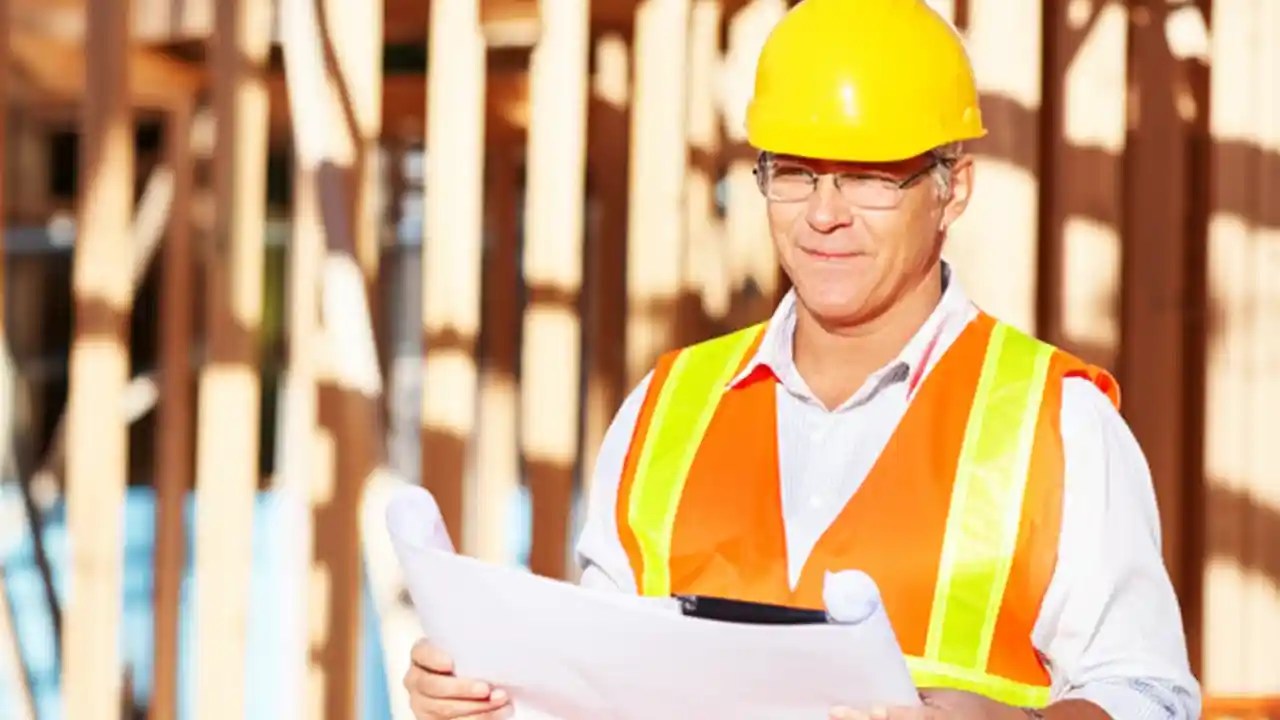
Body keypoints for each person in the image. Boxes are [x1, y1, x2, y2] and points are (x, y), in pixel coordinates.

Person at [403, 0, 1202, 718]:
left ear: (953, 189)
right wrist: (495, 702)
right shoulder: (666, 406)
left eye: (866, 178)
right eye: (793, 174)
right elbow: (595, 690)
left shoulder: (1055, 424)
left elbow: (1152, 696)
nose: (823, 215)